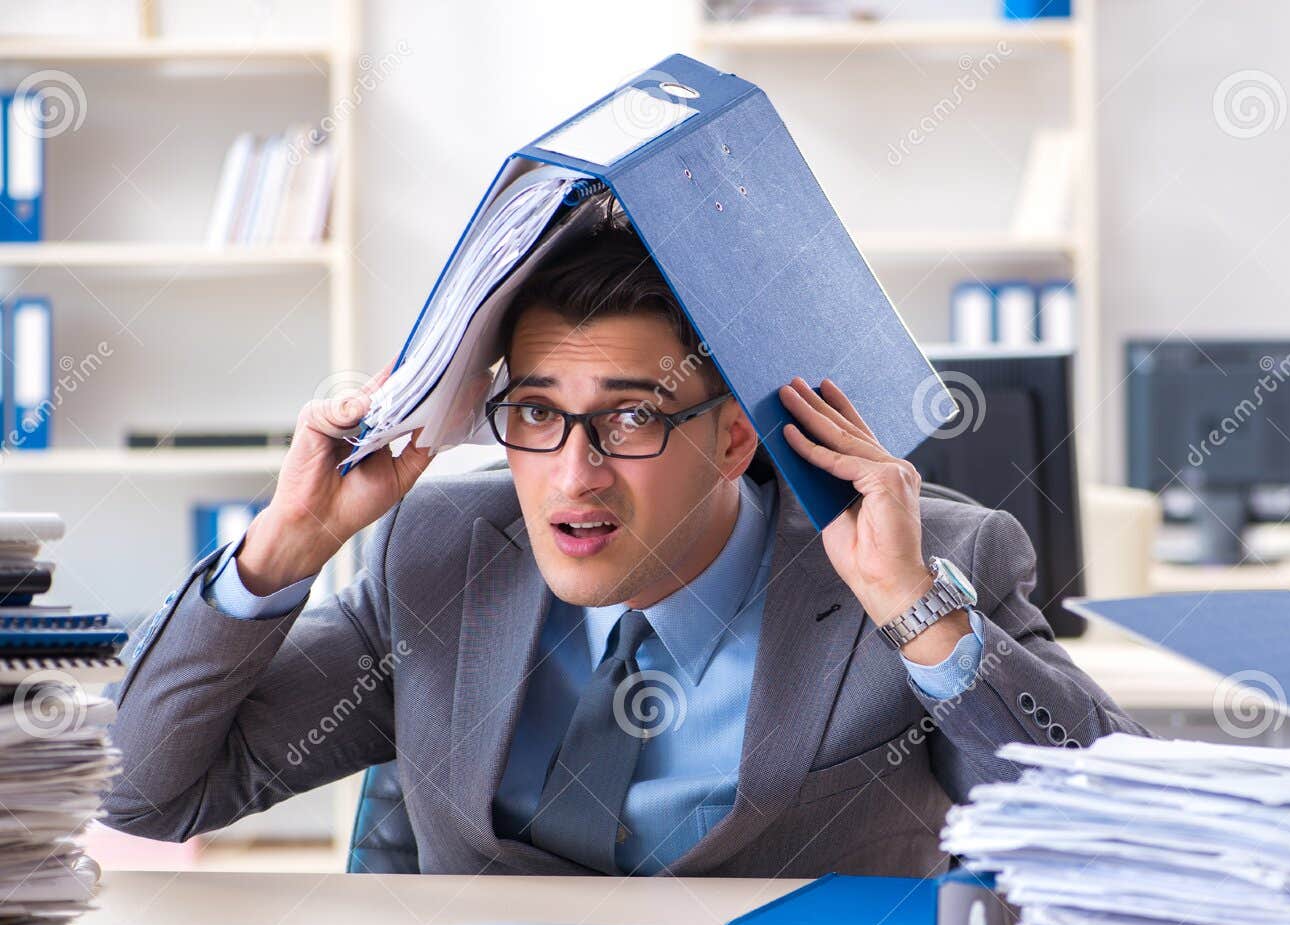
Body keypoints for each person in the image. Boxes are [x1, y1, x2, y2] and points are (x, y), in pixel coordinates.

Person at [104, 217, 1148, 877]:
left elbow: (1113, 839)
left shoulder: (919, 561)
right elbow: (144, 793)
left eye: (634, 418)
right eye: (535, 413)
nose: (574, 472)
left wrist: (912, 609)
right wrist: (280, 549)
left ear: (735, 435)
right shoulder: (441, 552)